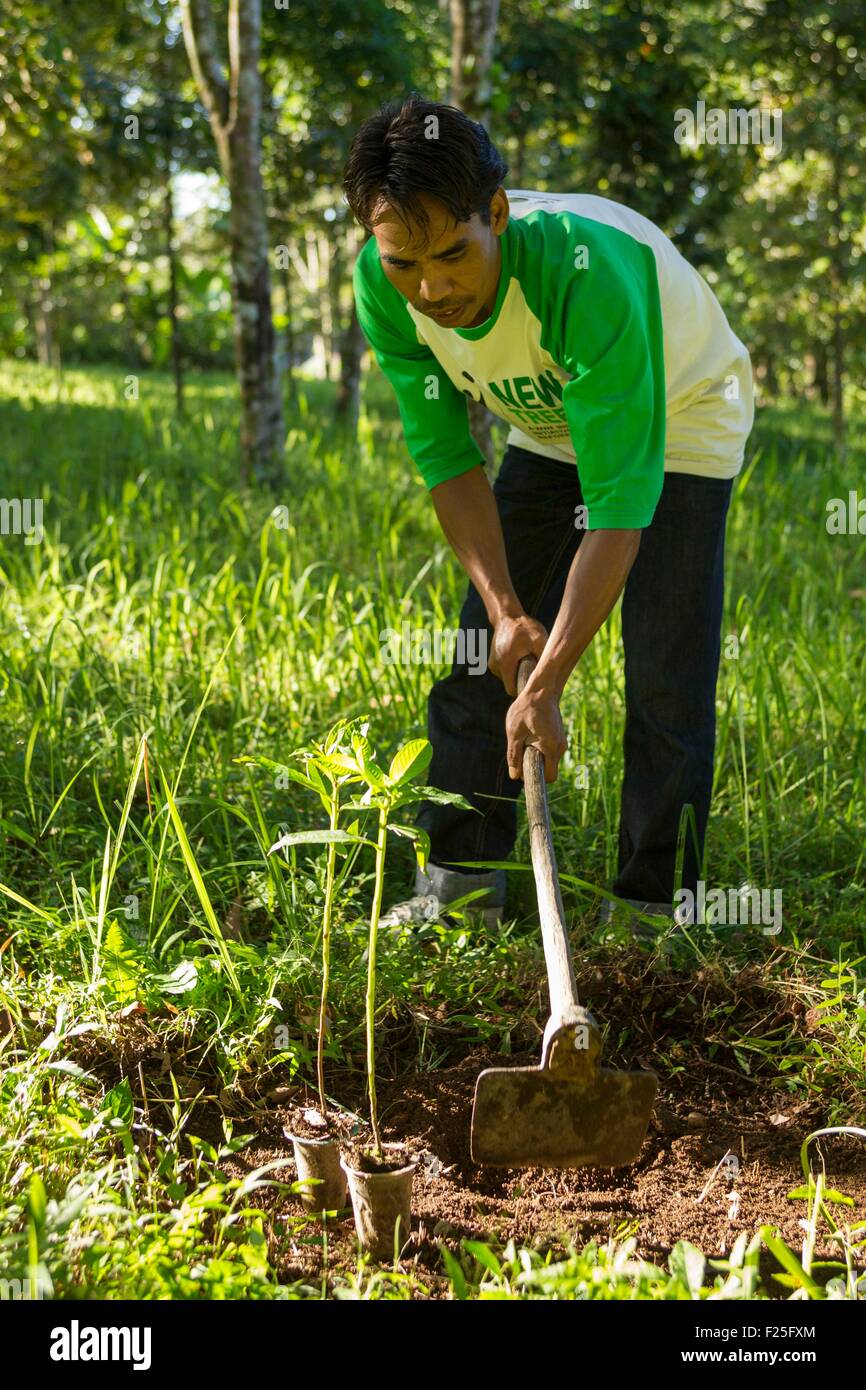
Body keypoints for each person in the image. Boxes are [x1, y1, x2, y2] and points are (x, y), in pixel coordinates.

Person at [342, 94, 754, 935]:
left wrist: (553, 679)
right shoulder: (384, 288)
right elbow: (451, 459)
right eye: (404, 264)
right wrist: (506, 615)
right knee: (477, 657)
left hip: (682, 421)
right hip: (551, 429)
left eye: (455, 254)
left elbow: (620, 506)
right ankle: (460, 889)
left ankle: (653, 909)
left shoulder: (584, 271)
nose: (433, 288)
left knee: (666, 679)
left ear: (496, 212)